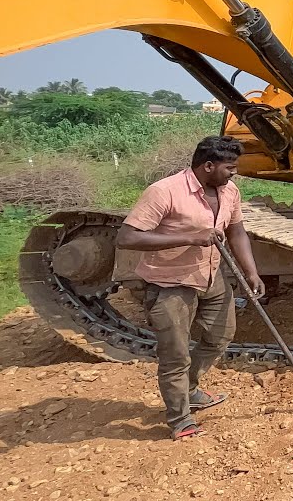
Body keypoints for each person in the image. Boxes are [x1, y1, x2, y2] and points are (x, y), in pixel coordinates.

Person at [116, 136, 264, 440]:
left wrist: (251, 272)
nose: (234, 173)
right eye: (229, 167)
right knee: (176, 355)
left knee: (220, 336)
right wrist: (190, 238)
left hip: (211, 276)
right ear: (208, 166)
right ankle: (180, 419)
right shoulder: (164, 191)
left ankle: (190, 388)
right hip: (170, 283)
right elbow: (127, 237)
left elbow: (236, 231)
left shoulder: (229, 191)